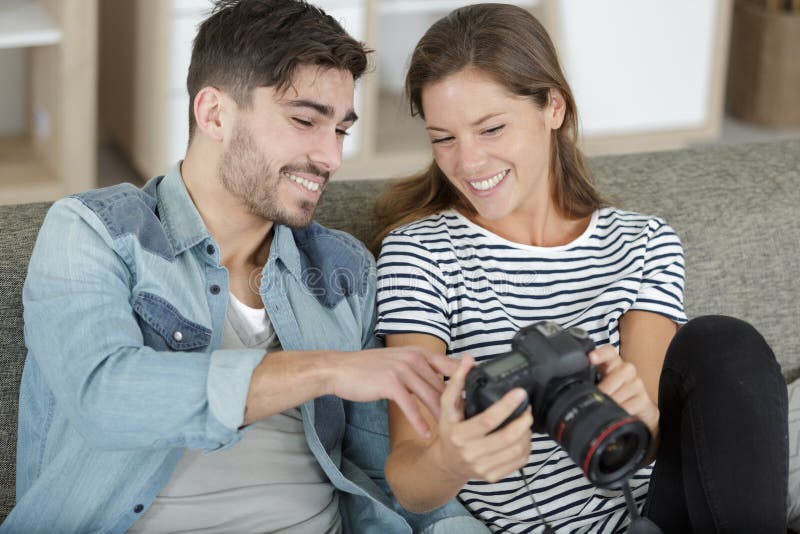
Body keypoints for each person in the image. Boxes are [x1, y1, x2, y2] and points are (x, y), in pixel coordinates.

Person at [2, 1, 480, 532]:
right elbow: (104, 397)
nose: (331, 158)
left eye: (340, 130)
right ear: (214, 114)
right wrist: (326, 369)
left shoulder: (346, 274)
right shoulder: (95, 232)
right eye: (305, 121)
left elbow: (390, 479)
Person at [372, 4, 788, 533]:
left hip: (657, 512)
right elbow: (409, 481)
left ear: (553, 107)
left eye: (491, 129)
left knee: (724, 341)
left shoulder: (644, 243)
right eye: (443, 138)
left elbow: (649, 443)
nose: (469, 162)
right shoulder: (419, 254)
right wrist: (450, 459)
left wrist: (644, 415)